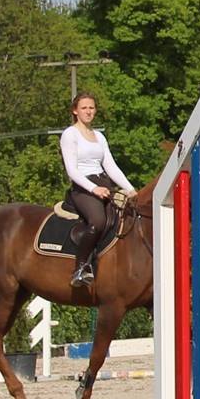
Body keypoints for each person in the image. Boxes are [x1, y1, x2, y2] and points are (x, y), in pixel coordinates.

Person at [60, 92, 137, 288]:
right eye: (84, 107)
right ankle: (81, 267)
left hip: (104, 184)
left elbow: (110, 166)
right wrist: (94, 189)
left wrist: (130, 189)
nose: (88, 111)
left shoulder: (99, 137)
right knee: (98, 221)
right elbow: (72, 170)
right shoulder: (70, 134)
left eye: (91, 108)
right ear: (75, 111)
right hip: (83, 187)